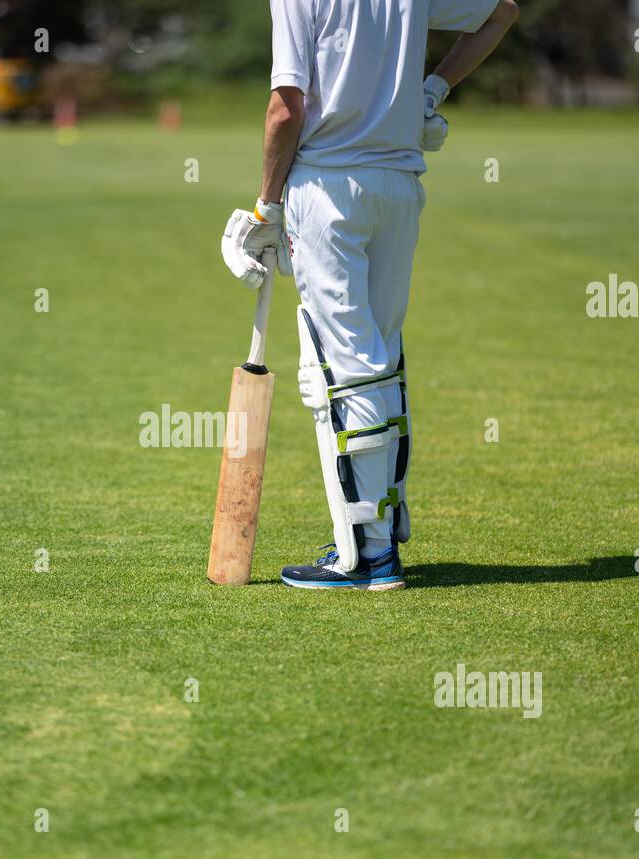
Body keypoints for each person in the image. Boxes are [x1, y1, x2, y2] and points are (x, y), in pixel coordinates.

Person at [220, 0, 519, 590]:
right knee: (379, 358)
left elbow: (286, 108)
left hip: (328, 188)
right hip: (400, 189)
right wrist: (430, 92)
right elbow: (502, 12)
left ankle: (364, 556)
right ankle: (381, 527)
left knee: (343, 369)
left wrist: (266, 204)